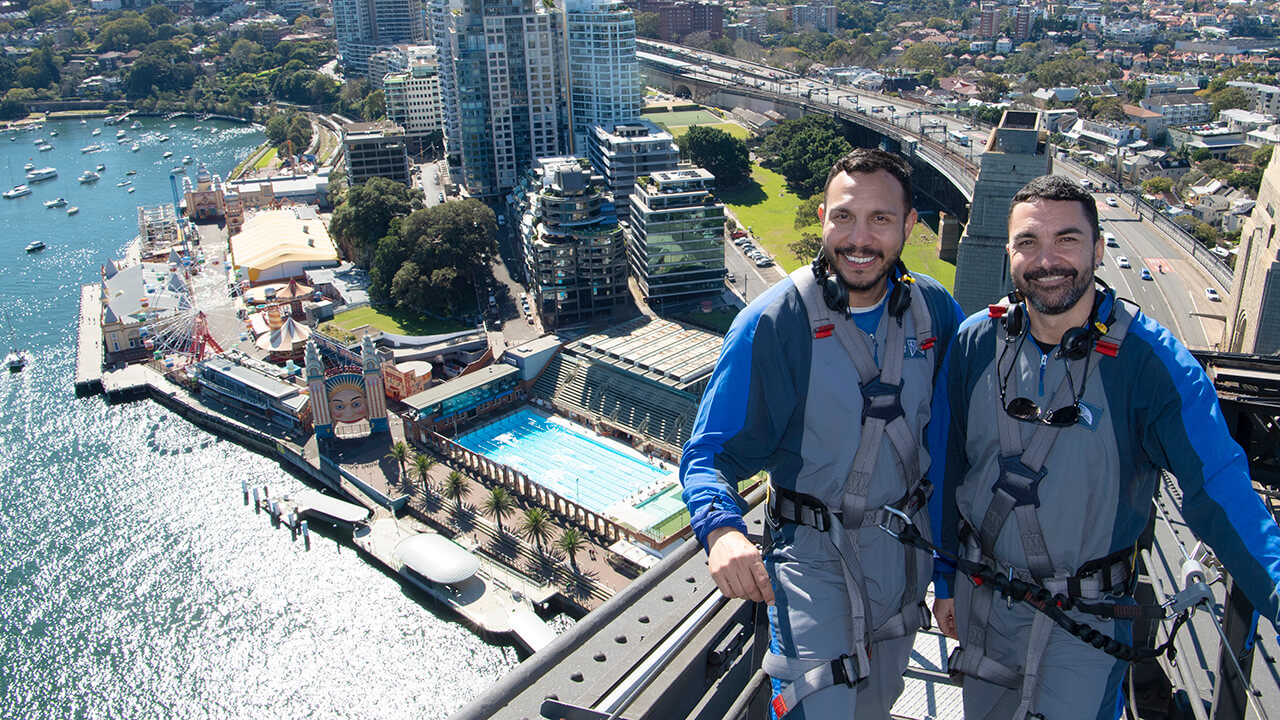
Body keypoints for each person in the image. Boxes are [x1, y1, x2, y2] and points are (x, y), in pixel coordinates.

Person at [929, 174, 1280, 719]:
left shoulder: (1151, 364)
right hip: (984, 601)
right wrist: (945, 577)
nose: (1047, 259)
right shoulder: (977, 341)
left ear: (1097, 249)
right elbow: (949, 463)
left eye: (1066, 240)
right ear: (1009, 254)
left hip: (1087, 620)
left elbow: (1218, 491)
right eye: (1028, 242)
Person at [680, 148, 963, 719]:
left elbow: (956, 445)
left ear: (910, 224)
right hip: (812, 562)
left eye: (880, 219)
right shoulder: (774, 323)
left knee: (875, 707)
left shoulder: (933, 310)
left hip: (904, 559)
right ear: (821, 217)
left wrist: (948, 575)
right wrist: (721, 529)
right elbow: (709, 452)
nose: (859, 238)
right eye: (843, 217)